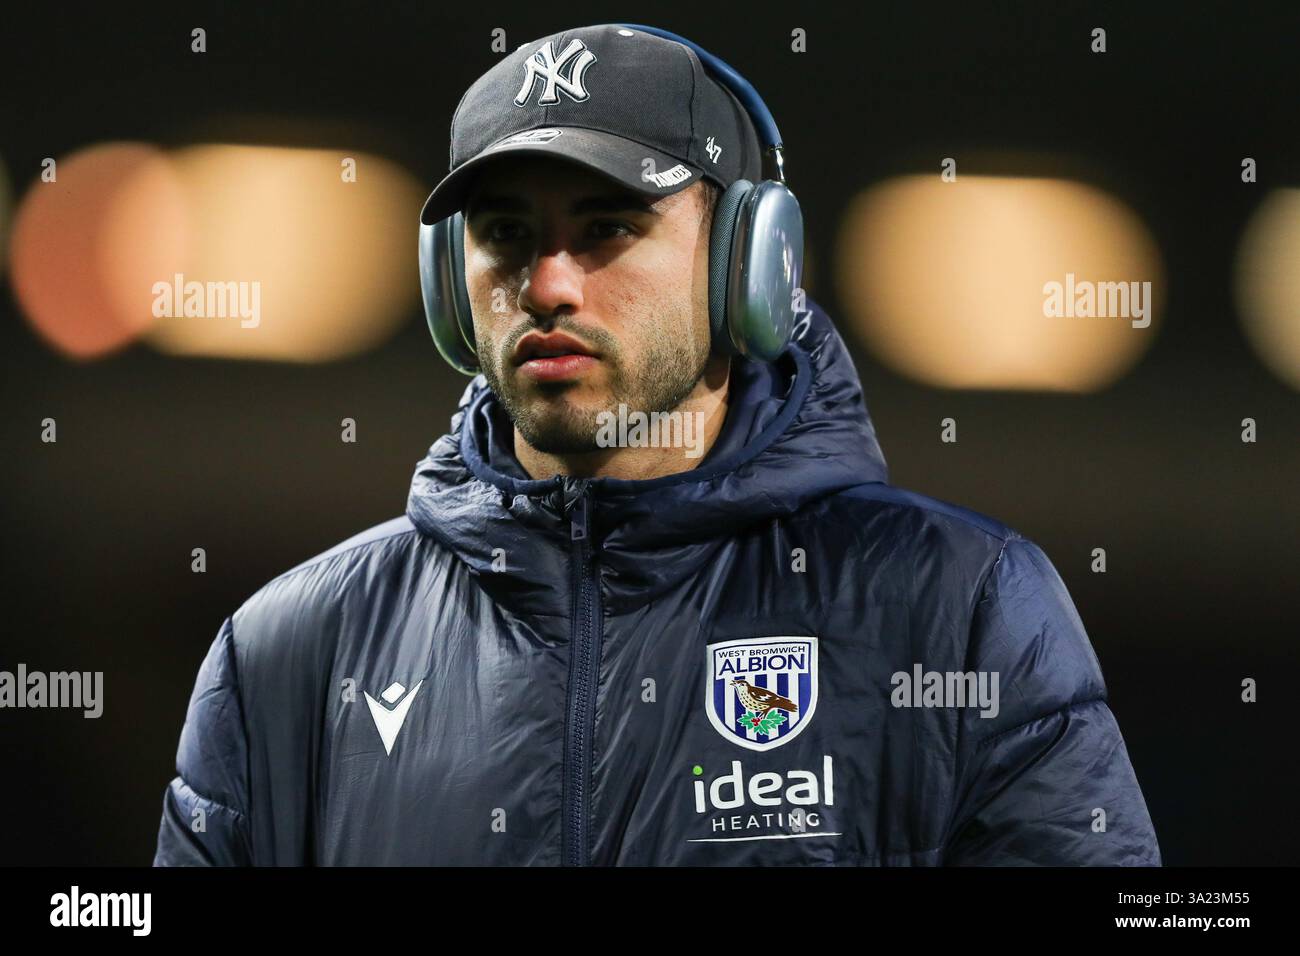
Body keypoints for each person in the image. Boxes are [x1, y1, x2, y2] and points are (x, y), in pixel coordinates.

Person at [153, 23, 1161, 866]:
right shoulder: (284, 653)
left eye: (606, 230)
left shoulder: (958, 607)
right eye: (505, 234)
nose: (547, 284)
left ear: (750, 267)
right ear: (443, 285)